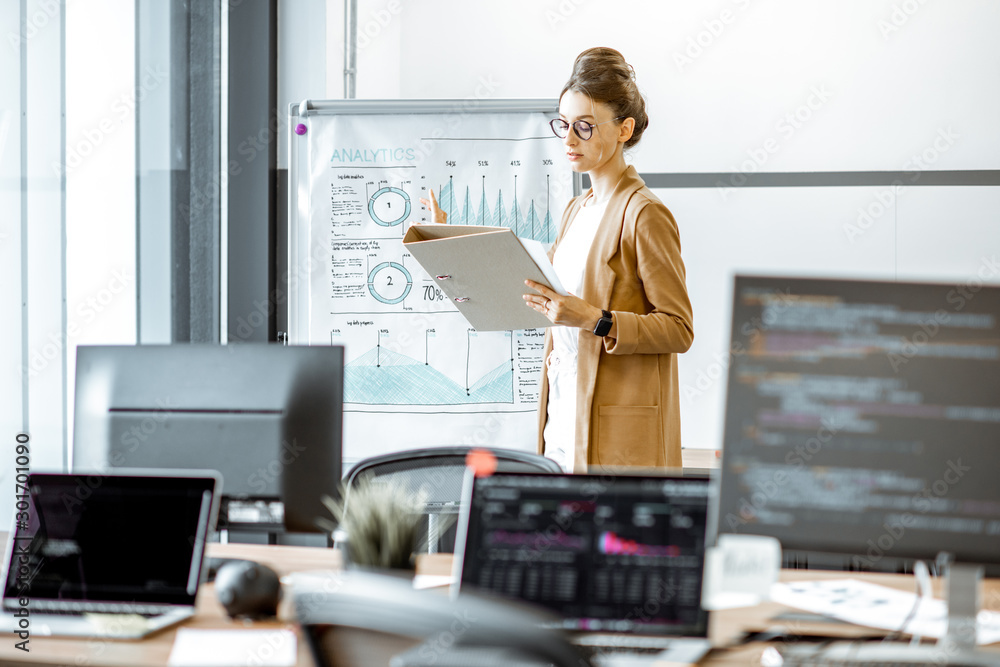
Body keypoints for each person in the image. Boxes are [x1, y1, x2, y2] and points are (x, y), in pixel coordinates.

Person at [421, 47, 693, 473]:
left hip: (615, 430)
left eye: (584, 127)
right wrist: (451, 242)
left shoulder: (644, 213)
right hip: (563, 416)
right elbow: (532, 290)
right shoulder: (575, 210)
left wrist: (596, 319)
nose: (568, 139)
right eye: (563, 124)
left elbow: (678, 329)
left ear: (624, 130)